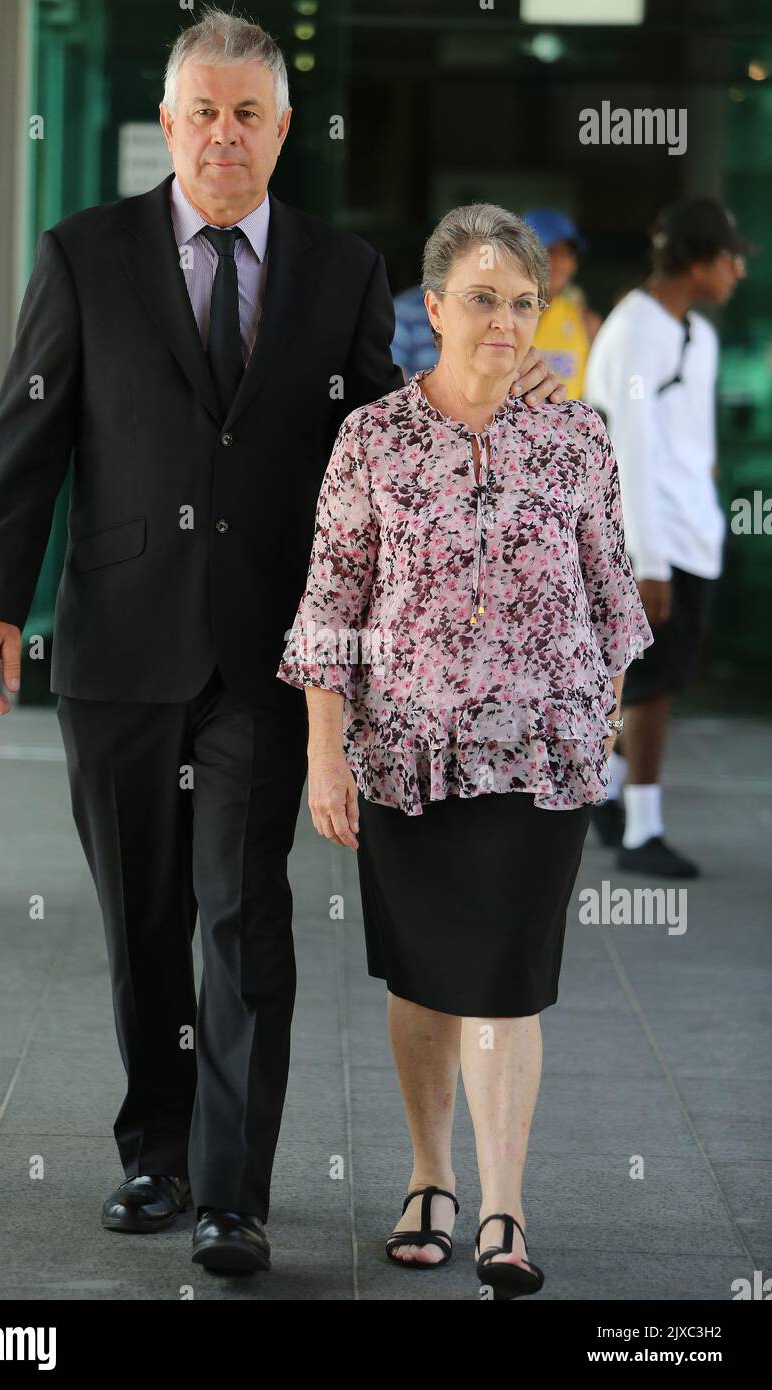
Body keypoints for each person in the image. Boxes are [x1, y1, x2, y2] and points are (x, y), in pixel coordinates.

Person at [0, 8, 566, 1277]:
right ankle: (155, 1155)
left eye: (248, 113)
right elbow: (29, 438)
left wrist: (505, 380)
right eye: (202, 112)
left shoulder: (341, 270)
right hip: (120, 644)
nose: (224, 135)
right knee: (142, 914)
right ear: (169, 125)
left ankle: (234, 1192)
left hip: (276, 652)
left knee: (243, 915)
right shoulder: (82, 256)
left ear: (283, 128)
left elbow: (396, 429)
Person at [277, 203, 653, 1298]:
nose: (503, 320)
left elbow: (613, 600)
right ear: (431, 308)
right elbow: (330, 607)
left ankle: (503, 1209)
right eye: (481, 298)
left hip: (542, 761)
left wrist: (596, 719)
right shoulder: (374, 440)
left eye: (522, 301)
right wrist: (326, 753)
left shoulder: (576, 436)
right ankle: (429, 1177)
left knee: (505, 981)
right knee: (424, 977)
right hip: (410, 757)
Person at [584, 196, 751, 877]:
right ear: (701, 260)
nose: (737, 273)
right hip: (651, 543)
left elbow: (689, 448)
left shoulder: (697, 335)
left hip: (690, 533)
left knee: (661, 679)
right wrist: (643, 560)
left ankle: (603, 794)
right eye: (731, 259)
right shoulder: (633, 330)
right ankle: (640, 833)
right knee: (649, 687)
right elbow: (628, 452)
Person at [521, 208, 601, 400]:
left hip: (567, 429)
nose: (560, 262)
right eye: (550, 251)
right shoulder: (496, 316)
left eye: (568, 253)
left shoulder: (586, 322)